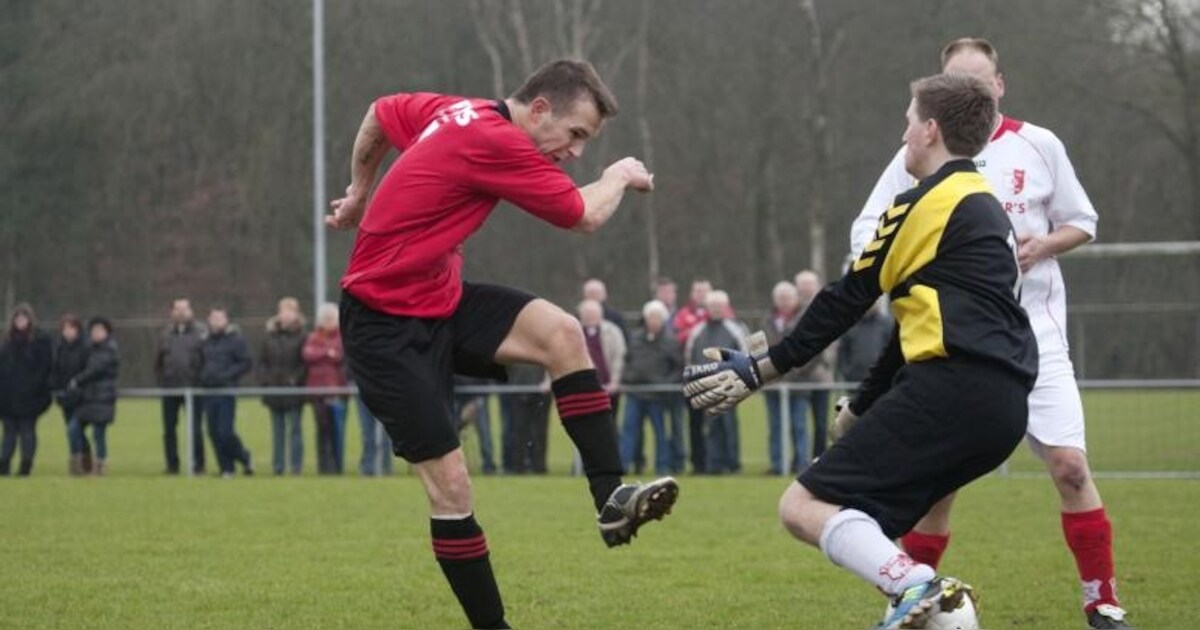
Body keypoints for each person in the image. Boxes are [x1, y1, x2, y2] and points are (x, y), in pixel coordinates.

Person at [325, 58, 676, 629]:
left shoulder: (457, 112)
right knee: (452, 488)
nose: (575, 151)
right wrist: (617, 175)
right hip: (383, 327)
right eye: (575, 134)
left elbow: (380, 114)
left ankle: (611, 499)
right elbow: (583, 216)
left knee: (563, 333)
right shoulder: (495, 140)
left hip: (440, 300)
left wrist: (361, 193)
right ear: (539, 110)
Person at [685, 73, 1037, 629]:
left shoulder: (925, 203)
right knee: (863, 520)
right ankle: (942, 616)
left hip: (951, 388)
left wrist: (761, 368)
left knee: (802, 506)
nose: (902, 137)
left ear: (930, 130)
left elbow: (847, 297)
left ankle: (923, 589)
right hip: (1003, 407)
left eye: (907, 123)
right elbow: (910, 326)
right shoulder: (988, 209)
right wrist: (865, 404)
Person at [851, 38, 1131, 630]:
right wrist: (909, 276)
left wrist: (1044, 244)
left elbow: (1083, 221)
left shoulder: (1040, 144)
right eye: (956, 82)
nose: (970, 92)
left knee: (1070, 467)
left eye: (979, 82)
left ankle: (1102, 602)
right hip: (960, 343)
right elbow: (867, 231)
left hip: (1037, 337)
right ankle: (908, 603)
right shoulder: (920, 152)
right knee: (940, 486)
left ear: (999, 85)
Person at [684, 290, 747, 475]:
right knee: (711, 427)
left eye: (719, 305)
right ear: (707, 307)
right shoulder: (697, 331)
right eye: (713, 305)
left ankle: (733, 463)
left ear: (725, 307)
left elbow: (746, 356)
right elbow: (690, 357)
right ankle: (714, 464)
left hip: (731, 386)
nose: (716, 309)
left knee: (729, 426)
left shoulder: (736, 329)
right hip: (707, 386)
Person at [619, 300, 682, 475]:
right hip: (635, 393)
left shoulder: (670, 341)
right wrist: (628, 377)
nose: (653, 321)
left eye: (657, 318)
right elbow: (626, 360)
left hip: (657, 396)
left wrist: (666, 383)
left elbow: (678, 367)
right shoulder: (634, 338)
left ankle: (662, 466)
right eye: (650, 317)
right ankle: (624, 465)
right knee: (629, 431)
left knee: (661, 433)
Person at [759, 281, 809, 475]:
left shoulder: (805, 318)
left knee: (799, 426)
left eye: (788, 298)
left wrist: (791, 370)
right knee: (775, 427)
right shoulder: (766, 321)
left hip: (799, 382)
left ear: (796, 298)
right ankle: (778, 465)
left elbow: (813, 351)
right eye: (781, 298)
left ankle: (802, 464)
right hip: (773, 383)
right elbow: (758, 350)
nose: (784, 302)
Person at [198, 306, 254, 478]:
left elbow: (246, 363)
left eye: (220, 318)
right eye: (214, 318)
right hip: (208, 392)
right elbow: (199, 362)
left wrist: (227, 375)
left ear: (226, 320)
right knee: (213, 432)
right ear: (209, 320)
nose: (217, 322)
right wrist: (202, 376)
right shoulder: (204, 341)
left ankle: (244, 457)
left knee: (225, 432)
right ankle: (226, 468)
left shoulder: (235, 340)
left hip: (226, 391)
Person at [154, 298, 207, 475]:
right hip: (170, 388)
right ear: (172, 312)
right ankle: (172, 465)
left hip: (194, 389)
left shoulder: (201, 334)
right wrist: (162, 381)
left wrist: (200, 381)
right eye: (178, 309)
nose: (181, 313)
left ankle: (199, 465)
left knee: (195, 429)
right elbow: (158, 362)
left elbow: (206, 360)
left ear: (191, 311)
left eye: (185, 309)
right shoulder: (165, 335)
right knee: (169, 429)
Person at [0, 303, 52, 476]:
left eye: (23, 318)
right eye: (17, 318)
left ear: (30, 320)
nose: (20, 321)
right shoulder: (7, 342)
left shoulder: (40, 341)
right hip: (7, 397)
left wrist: (34, 388)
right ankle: (4, 464)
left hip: (30, 397)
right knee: (8, 433)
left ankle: (25, 465)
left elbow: (44, 368)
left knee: (27, 431)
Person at [259, 297, 307, 475]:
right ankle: (278, 466)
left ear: (296, 314)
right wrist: (266, 380)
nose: (285, 315)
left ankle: (296, 466)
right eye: (282, 311)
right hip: (274, 391)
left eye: (289, 311)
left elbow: (305, 363)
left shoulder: (303, 336)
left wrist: (295, 379)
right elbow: (262, 362)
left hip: (294, 391)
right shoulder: (269, 336)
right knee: (277, 431)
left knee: (295, 430)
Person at [69, 317, 120, 476]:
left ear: (107, 332)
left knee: (98, 434)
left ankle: (100, 466)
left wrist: (77, 380)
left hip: (103, 398)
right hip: (87, 398)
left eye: (99, 330)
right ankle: (77, 465)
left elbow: (94, 369)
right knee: (73, 429)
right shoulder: (87, 349)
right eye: (93, 330)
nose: (96, 333)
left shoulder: (109, 350)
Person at [792, 270, 834, 459]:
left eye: (809, 285)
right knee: (797, 422)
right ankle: (799, 458)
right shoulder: (793, 313)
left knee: (821, 422)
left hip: (820, 376)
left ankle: (820, 456)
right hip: (797, 378)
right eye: (803, 286)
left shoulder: (828, 307)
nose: (806, 289)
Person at [304, 303, 348, 475]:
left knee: (337, 431)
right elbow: (308, 355)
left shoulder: (342, 337)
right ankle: (323, 467)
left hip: (337, 391)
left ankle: (338, 466)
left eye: (332, 318)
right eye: (326, 318)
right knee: (322, 430)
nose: (329, 321)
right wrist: (327, 352)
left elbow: (340, 355)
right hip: (317, 392)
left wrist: (323, 353)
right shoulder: (313, 337)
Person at [672, 278, 712, 472]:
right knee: (694, 422)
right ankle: (698, 463)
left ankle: (717, 462)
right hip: (693, 378)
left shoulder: (721, 312)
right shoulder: (683, 314)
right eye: (698, 291)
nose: (701, 294)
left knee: (718, 423)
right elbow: (678, 338)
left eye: (704, 291)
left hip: (717, 378)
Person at [49, 314, 91, 475]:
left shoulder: (86, 347)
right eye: (65, 328)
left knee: (73, 430)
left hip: (83, 398)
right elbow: (55, 371)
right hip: (66, 398)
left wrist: (79, 384)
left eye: (71, 328)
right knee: (75, 431)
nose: (68, 332)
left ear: (78, 329)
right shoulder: (59, 348)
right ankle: (85, 461)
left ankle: (77, 465)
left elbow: (89, 370)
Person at [577, 298, 626, 415]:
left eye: (593, 314)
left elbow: (619, 356)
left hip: (609, 388)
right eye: (587, 314)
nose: (590, 317)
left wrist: (615, 381)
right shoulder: (575, 331)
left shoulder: (612, 331)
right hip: (583, 389)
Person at [504, 363, 551, 474]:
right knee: (518, 430)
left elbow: (550, 360)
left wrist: (548, 380)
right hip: (517, 389)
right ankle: (518, 467)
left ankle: (539, 467)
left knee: (539, 431)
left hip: (541, 391)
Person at [836, 297, 892, 383]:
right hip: (854, 381)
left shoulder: (886, 324)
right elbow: (842, 352)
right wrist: (848, 373)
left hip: (879, 381)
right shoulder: (850, 324)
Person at [452, 375, 498, 475]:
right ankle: (452, 464)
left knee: (484, 433)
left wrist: (478, 402)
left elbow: (488, 381)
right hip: (456, 397)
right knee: (451, 434)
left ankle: (488, 466)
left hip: (478, 398)